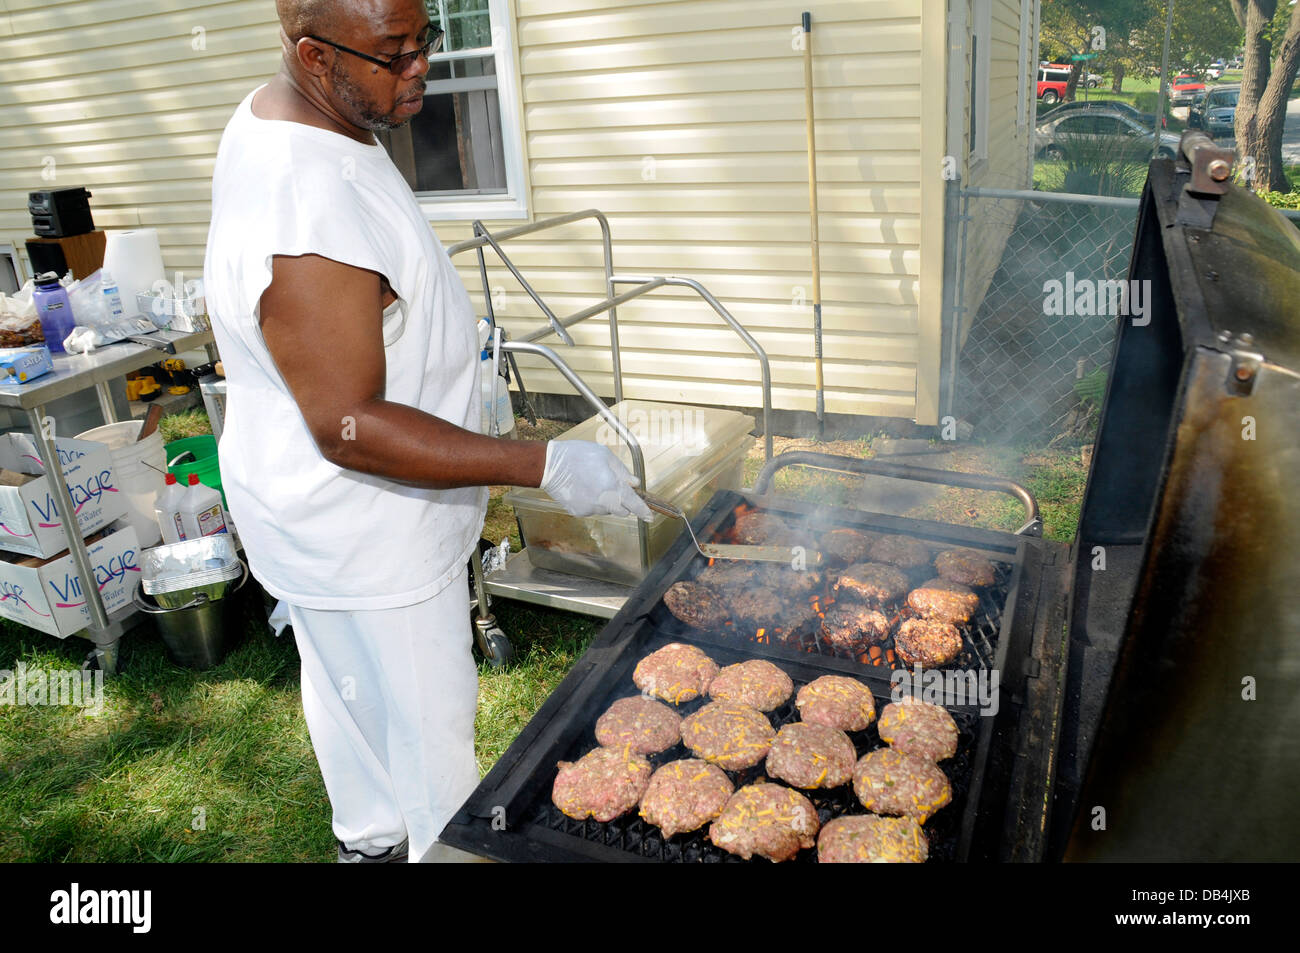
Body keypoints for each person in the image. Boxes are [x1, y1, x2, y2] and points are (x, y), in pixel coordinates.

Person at [203, 0, 651, 863]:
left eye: (425, 40)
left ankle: (368, 844)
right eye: (392, 53)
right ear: (311, 53)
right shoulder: (307, 203)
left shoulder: (300, 111)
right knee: (435, 759)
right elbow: (349, 425)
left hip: (310, 514)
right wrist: (545, 462)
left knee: (351, 704)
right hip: (371, 532)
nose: (421, 68)